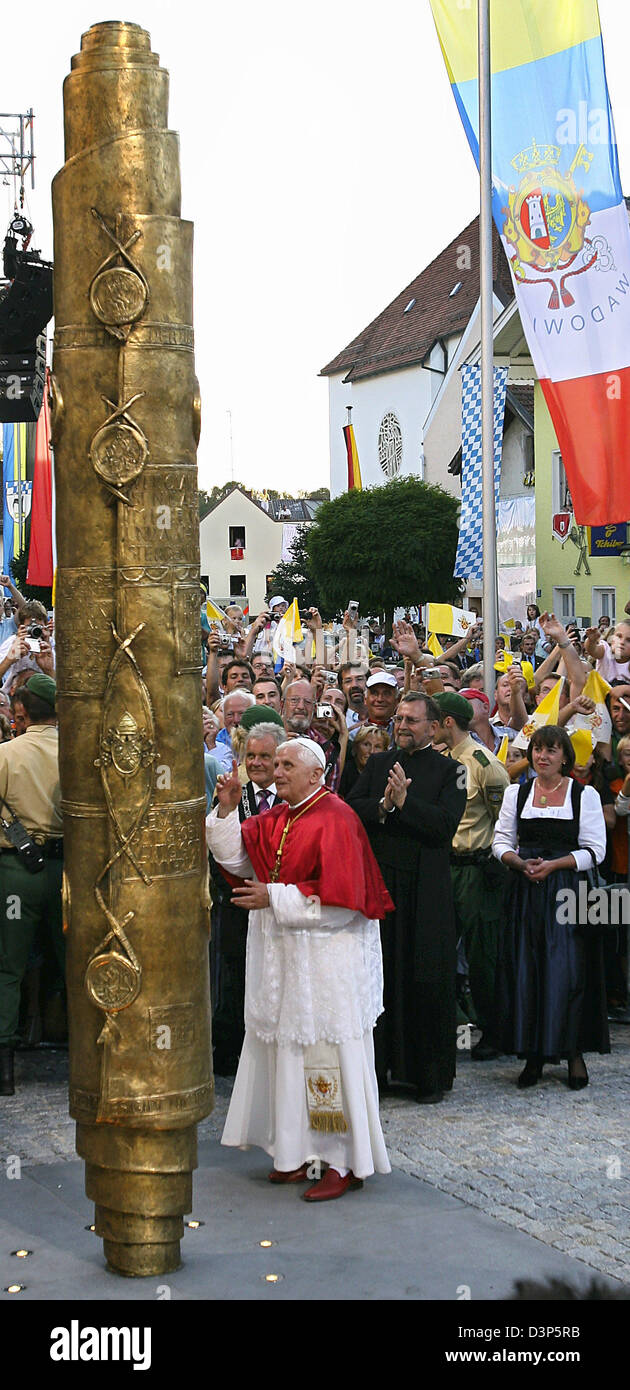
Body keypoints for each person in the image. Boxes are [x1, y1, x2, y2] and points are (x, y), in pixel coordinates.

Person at [206, 738, 393, 1199]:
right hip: (286, 960)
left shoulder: (338, 819)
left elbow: (345, 905)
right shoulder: (280, 817)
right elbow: (241, 860)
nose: (277, 770)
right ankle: (297, 1153)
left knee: (325, 1059)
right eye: (276, 763)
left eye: (287, 764)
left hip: (326, 967)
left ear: (316, 774)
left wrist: (275, 897)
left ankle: (340, 1161)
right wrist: (228, 811)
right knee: (286, 1057)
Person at [348, 691, 467, 1102]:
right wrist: (382, 807)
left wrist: (404, 803)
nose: (401, 726)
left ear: (433, 728)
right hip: (382, 884)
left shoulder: (451, 772)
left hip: (427, 890)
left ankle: (426, 1076)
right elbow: (352, 809)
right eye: (398, 718)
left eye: (411, 720)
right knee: (381, 977)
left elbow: (444, 826)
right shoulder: (379, 764)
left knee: (425, 977)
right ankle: (377, 1073)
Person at [492, 725, 609, 1090]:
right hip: (526, 891)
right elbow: (500, 840)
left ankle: (573, 1051)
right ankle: (533, 1054)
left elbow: (595, 851)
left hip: (567, 894)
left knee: (568, 972)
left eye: (551, 750)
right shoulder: (517, 793)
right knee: (527, 969)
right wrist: (518, 862)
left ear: (565, 756)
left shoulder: (583, 794)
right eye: (538, 749)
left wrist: (554, 865)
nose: (543, 756)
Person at [434, 691, 509, 1060]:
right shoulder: (441, 759)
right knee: (440, 951)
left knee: (483, 955)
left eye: (434, 721)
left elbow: (502, 819)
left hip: (476, 868)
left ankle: (493, 1029)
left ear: (448, 722)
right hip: (444, 865)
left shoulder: (484, 764)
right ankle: (455, 1026)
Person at [209, 717, 285, 1076]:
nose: (255, 763)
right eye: (250, 756)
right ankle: (228, 1055)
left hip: (282, 909)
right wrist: (225, 809)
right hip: (238, 904)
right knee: (233, 977)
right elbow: (218, 848)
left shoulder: (292, 795)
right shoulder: (230, 792)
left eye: (264, 757)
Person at [0, 674, 64, 1096]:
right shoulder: (76, 753)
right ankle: (93, 1058)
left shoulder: (6, 753)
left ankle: (4, 1066)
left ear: (23, 711)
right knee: (76, 963)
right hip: (67, 871)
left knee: (8, 967)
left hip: (17, 873)